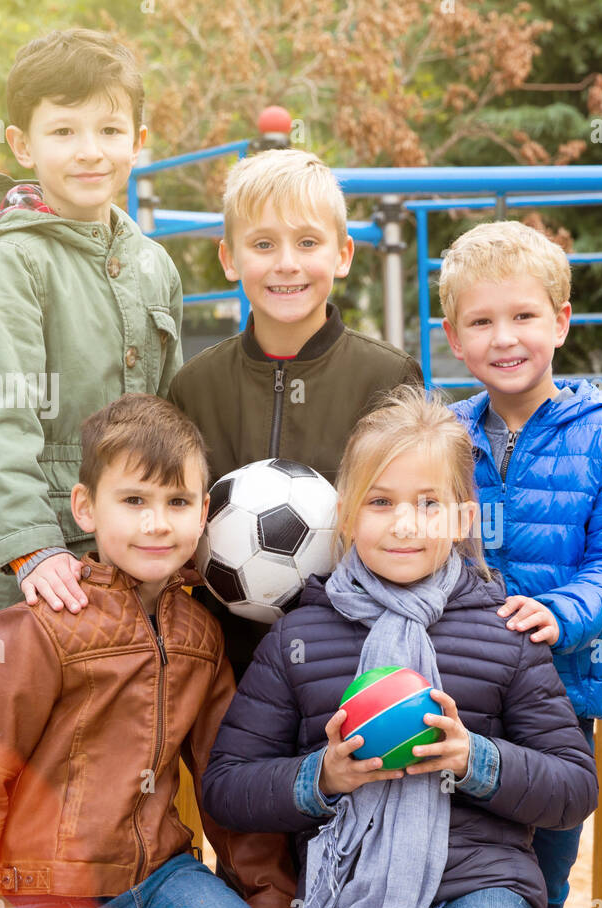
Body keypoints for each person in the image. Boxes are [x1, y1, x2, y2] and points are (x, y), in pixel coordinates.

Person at [201, 385, 597, 908]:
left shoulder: (503, 632)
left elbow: (574, 787)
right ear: (348, 518)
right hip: (356, 888)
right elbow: (227, 784)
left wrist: (478, 760)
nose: (404, 524)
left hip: (485, 879)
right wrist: (318, 777)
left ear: (460, 516)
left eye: (427, 503)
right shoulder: (302, 637)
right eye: (380, 503)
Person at [0, 395, 307, 908]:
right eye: (133, 502)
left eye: (177, 503)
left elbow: (227, 779)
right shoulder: (36, 629)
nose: (156, 525)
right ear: (85, 509)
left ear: (204, 513)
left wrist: (269, 900)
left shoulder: (201, 632)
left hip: (161, 880)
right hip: (54, 896)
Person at [439, 220, 602, 908]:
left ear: (562, 321)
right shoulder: (444, 438)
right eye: (483, 322)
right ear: (454, 339)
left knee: (539, 900)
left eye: (525, 316)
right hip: (455, 703)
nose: (507, 338)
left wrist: (562, 612)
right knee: (450, 889)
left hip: (553, 711)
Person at [0, 28, 184, 655]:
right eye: (63, 131)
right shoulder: (12, 262)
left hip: (133, 554)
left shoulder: (154, 265)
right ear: (23, 144)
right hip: (37, 567)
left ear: (137, 140)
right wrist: (31, 547)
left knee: (123, 737)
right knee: (28, 746)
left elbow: (169, 418)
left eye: (109, 131)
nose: (90, 152)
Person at [168, 147, 423, 680]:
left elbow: (415, 516)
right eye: (263, 244)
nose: (286, 263)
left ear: (343, 254)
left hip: (349, 656)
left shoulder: (389, 378)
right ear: (230, 259)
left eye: (307, 242)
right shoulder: (196, 385)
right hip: (223, 659)